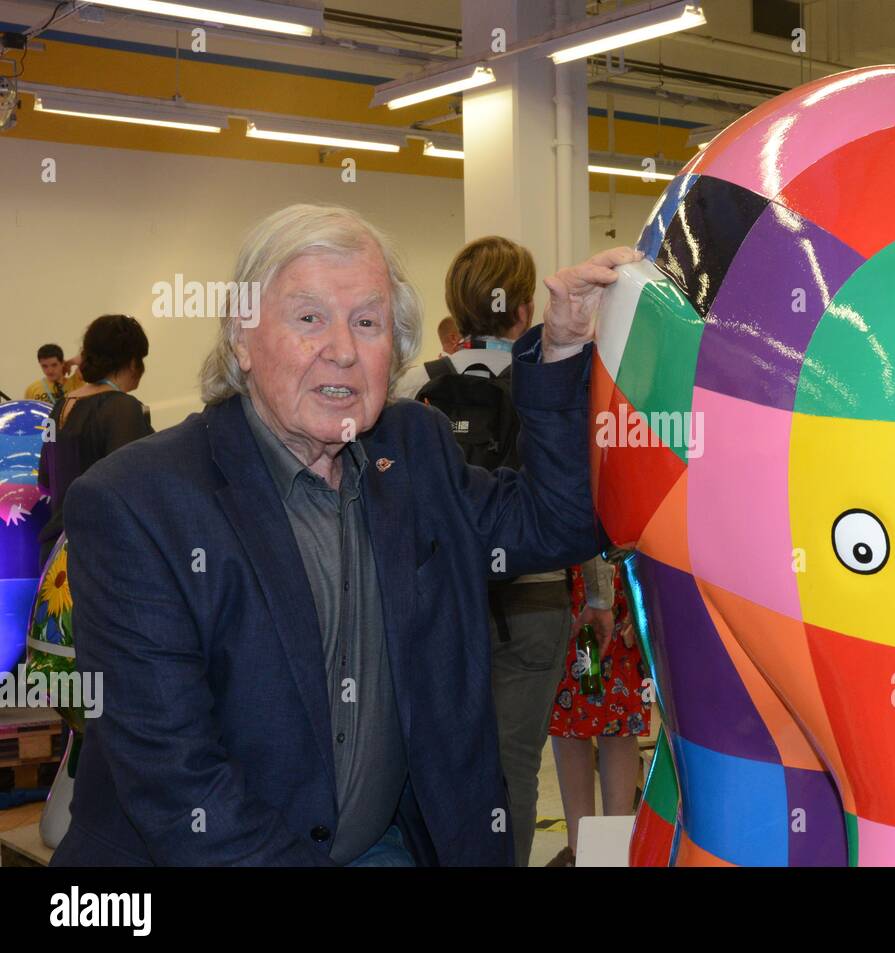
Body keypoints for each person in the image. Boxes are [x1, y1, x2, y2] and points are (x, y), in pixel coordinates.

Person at [51, 203, 640, 866]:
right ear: (241, 340)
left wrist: (561, 350)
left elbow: (559, 522)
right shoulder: (137, 506)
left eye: (368, 321)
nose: (342, 348)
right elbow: (181, 788)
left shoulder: (412, 450)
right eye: (308, 318)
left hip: (386, 842)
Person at [419, 235, 593, 867]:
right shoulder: (547, 385)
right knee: (514, 768)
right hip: (536, 600)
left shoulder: (421, 392)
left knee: (446, 765)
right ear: (523, 309)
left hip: (444, 605)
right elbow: (577, 498)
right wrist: (597, 595)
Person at [545, 556, 651, 867]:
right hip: (569, 575)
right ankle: (578, 852)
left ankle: (615, 847)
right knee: (567, 718)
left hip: (618, 571)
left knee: (620, 719)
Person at [37, 316, 151, 567]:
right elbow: (134, 489)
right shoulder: (123, 408)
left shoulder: (60, 407)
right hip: (102, 557)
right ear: (132, 361)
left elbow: (44, 484)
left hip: (56, 561)